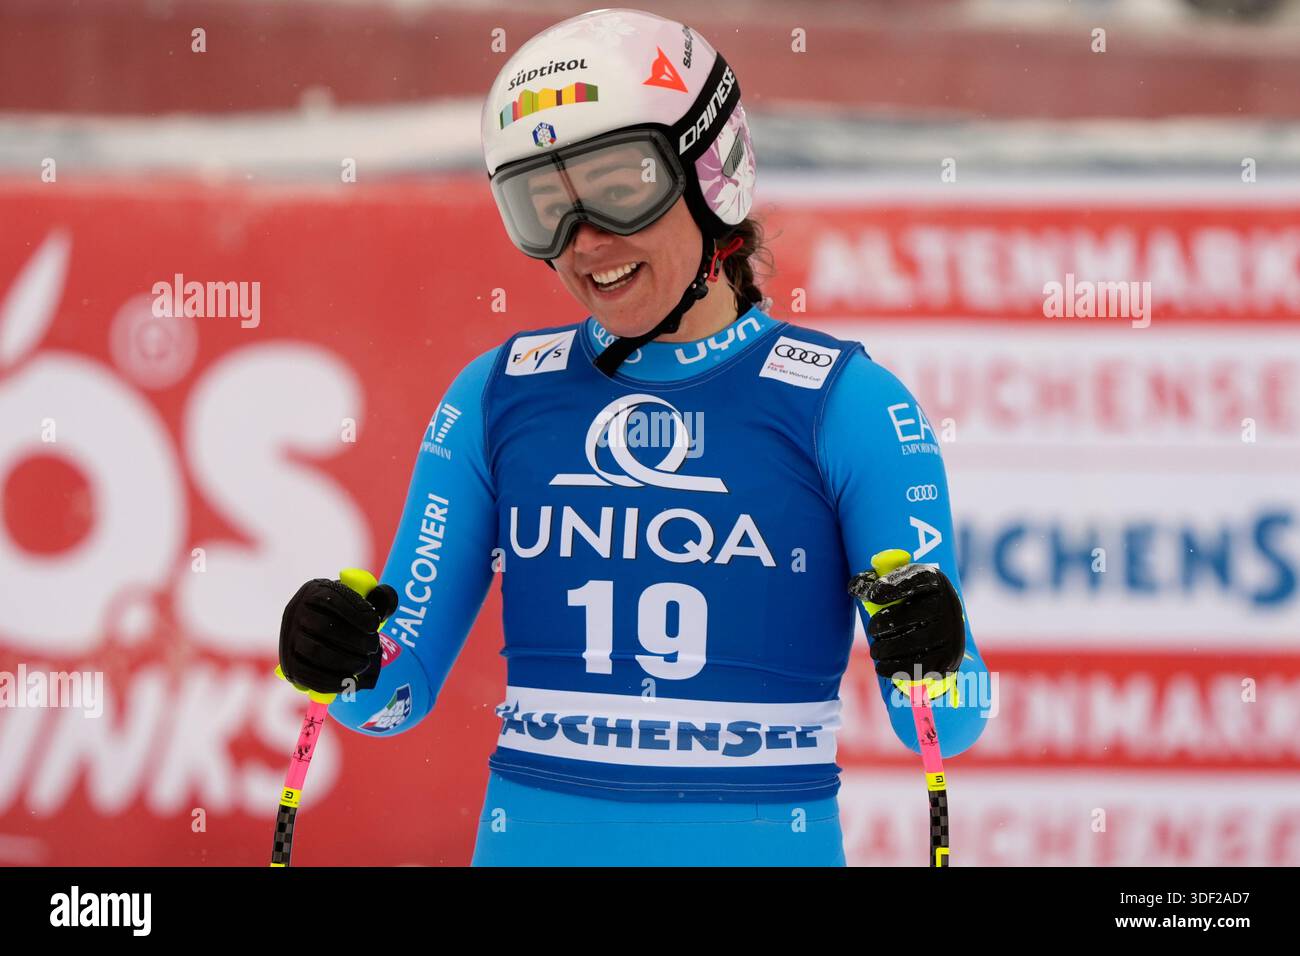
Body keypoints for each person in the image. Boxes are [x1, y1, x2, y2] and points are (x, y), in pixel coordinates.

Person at [278, 8, 991, 866]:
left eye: (620, 191)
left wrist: (939, 653)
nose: (584, 244)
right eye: (543, 207)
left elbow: (949, 722)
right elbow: (394, 696)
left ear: (711, 176)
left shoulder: (849, 407)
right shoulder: (495, 397)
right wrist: (344, 657)